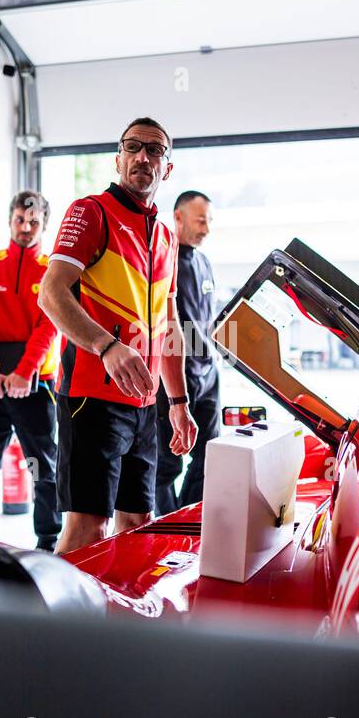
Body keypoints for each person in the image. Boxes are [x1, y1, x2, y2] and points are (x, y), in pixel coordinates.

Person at [38, 117, 198, 555]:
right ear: (118, 158)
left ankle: (121, 620)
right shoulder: (90, 211)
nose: (143, 156)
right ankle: (60, 623)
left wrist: (179, 405)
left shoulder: (166, 235)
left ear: (166, 168)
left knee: (136, 526)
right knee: (88, 530)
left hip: (145, 407)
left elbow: (169, 328)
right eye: (133, 147)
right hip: (91, 399)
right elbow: (50, 294)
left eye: (155, 150)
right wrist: (106, 347)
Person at [0, 191, 62, 551]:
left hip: (36, 387)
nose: (26, 227)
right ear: (10, 220)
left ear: (44, 225)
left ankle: (49, 542)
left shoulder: (52, 267)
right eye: (20, 220)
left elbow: (48, 324)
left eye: (34, 222)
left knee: (41, 468)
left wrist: (24, 372)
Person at [155, 190, 221, 513]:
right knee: (164, 465)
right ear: (178, 217)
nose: (206, 229)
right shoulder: (163, 260)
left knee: (211, 452)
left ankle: (189, 518)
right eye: (200, 221)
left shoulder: (205, 262)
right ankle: (165, 529)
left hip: (207, 375)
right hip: (172, 377)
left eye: (209, 221)